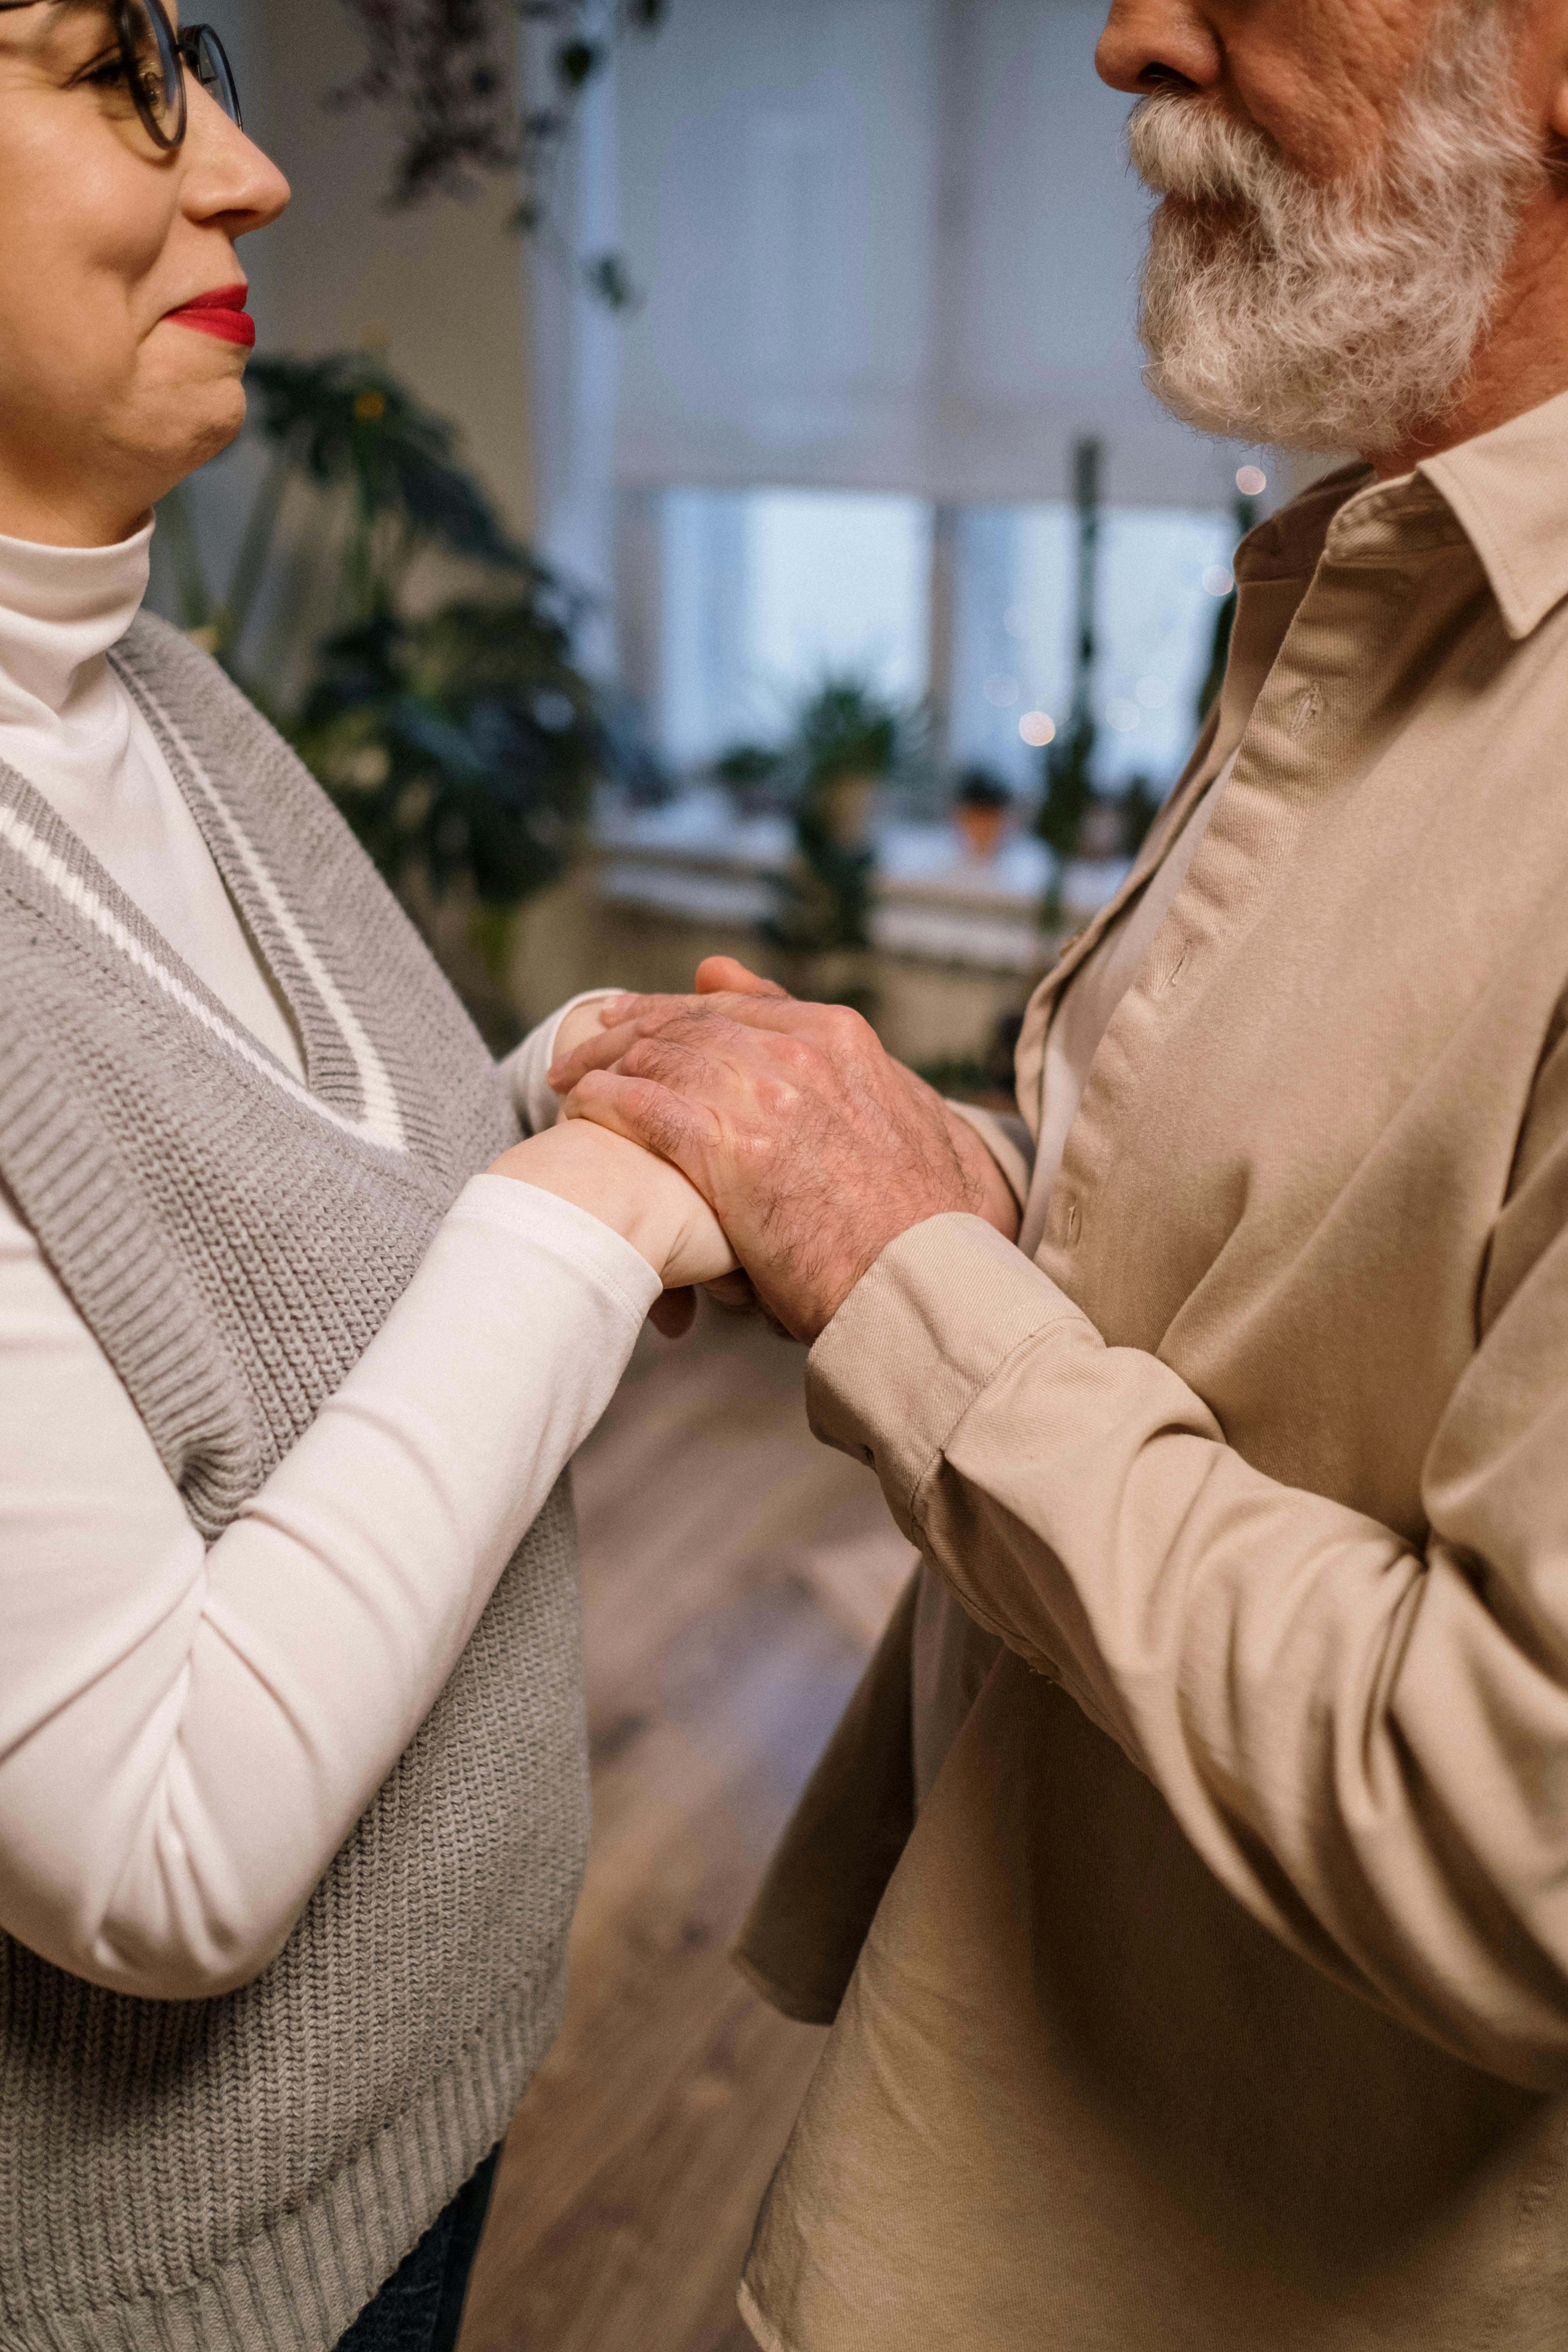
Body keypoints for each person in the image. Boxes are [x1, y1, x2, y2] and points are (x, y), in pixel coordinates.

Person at [548, 0, 1568, 2344]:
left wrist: (908, 1275)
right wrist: (917, 1182)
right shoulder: (1394, 587)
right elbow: (1311, 1293)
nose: (1123, 39)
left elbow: (1519, 1834)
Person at [0, 8, 737, 2350]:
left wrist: (558, 1097)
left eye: (197, 55)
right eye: (116, 76)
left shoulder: (170, 701)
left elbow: (247, 1238)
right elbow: (161, 1839)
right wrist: (599, 1220)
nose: (250, 168)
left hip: (412, 2146)